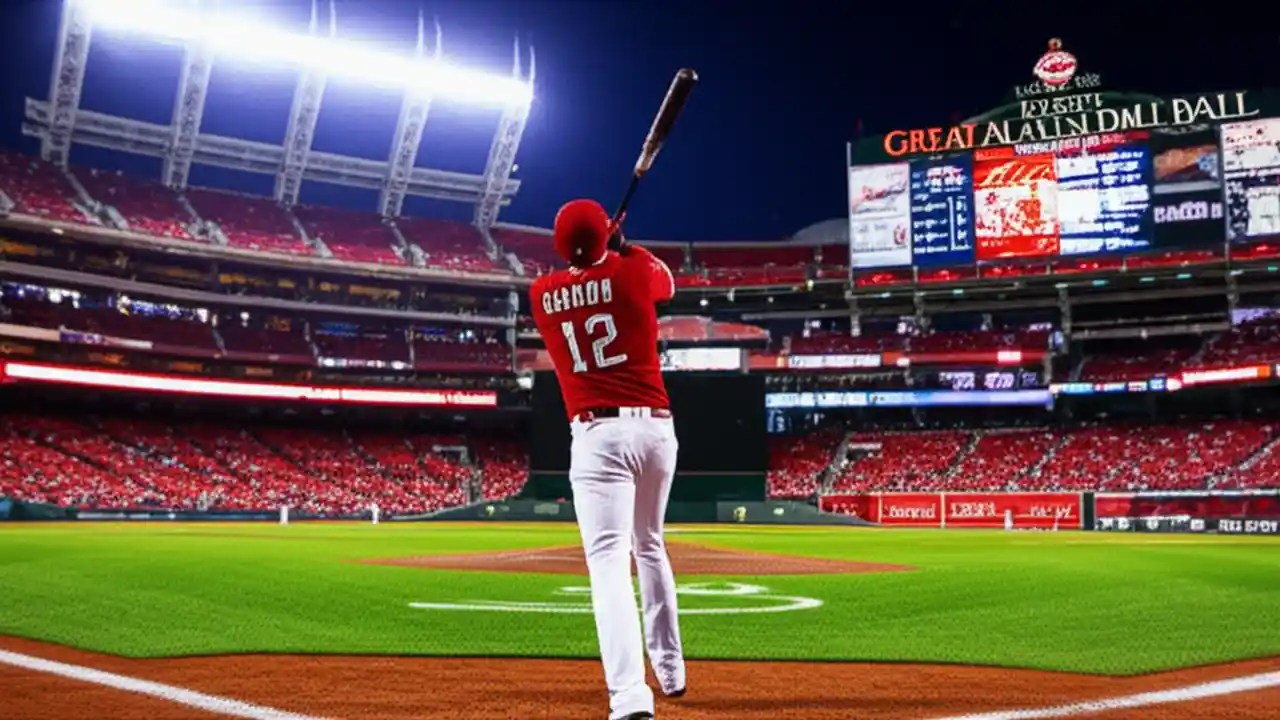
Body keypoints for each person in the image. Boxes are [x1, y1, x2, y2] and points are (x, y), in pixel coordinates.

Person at [530, 198, 685, 720]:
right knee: (651, 545)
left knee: (607, 565)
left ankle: (629, 696)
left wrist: (601, 246)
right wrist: (624, 245)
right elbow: (666, 283)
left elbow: (581, 272)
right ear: (606, 238)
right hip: (656, 430)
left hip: (595, 434)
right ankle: (671, 670)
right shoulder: (633, 272)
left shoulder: (541, 294)